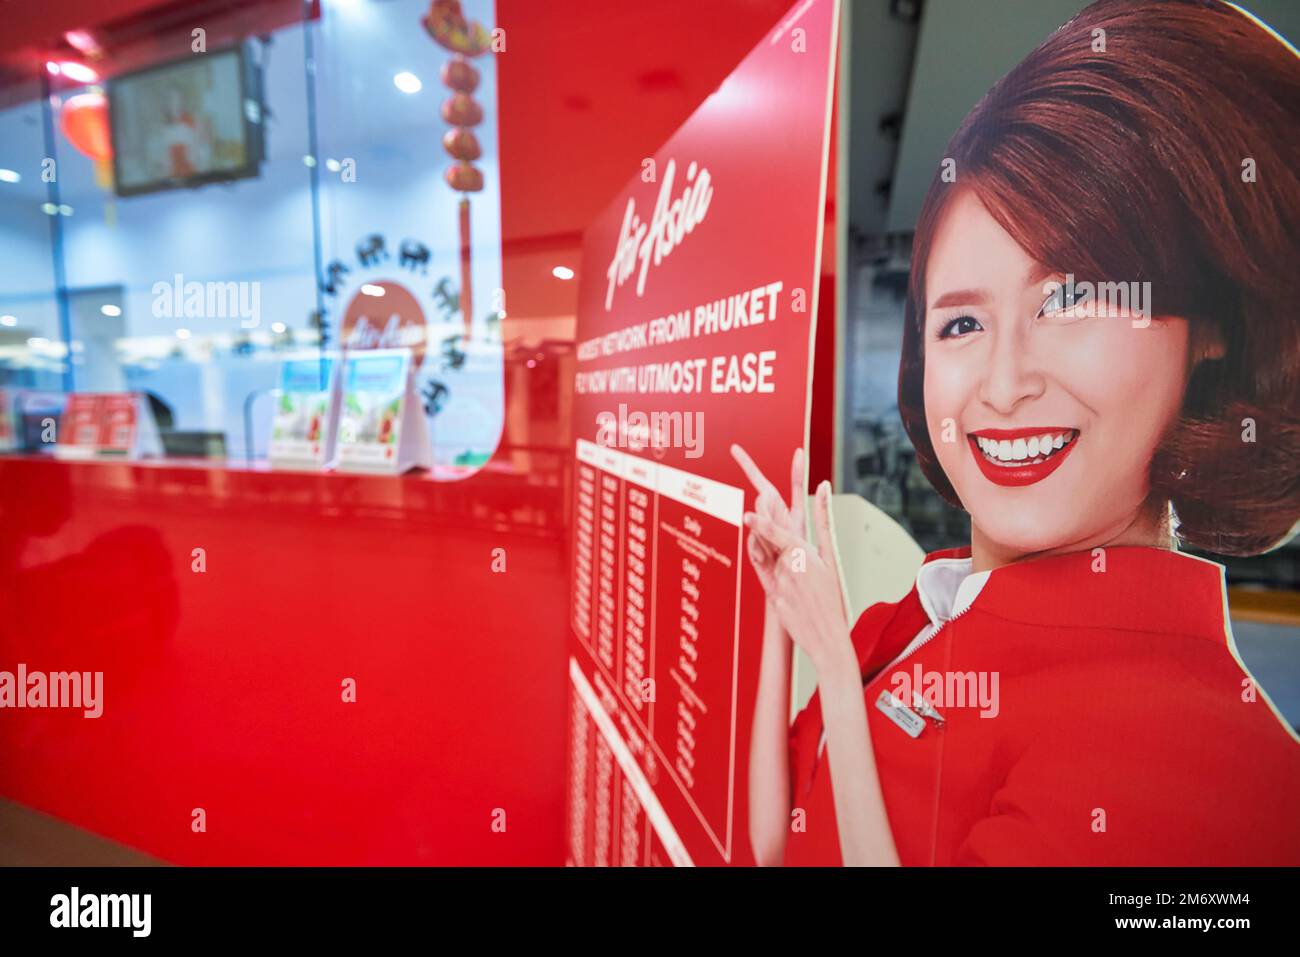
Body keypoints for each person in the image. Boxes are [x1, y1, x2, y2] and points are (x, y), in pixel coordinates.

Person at [737, 0, 1300, 866]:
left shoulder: (1195, 752)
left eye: (1072, 300)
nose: (1004, 386)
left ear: (1211, 328)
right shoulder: (905, 616)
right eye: (961, 325)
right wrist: (792, 627)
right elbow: (773, 847)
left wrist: (836, 674)